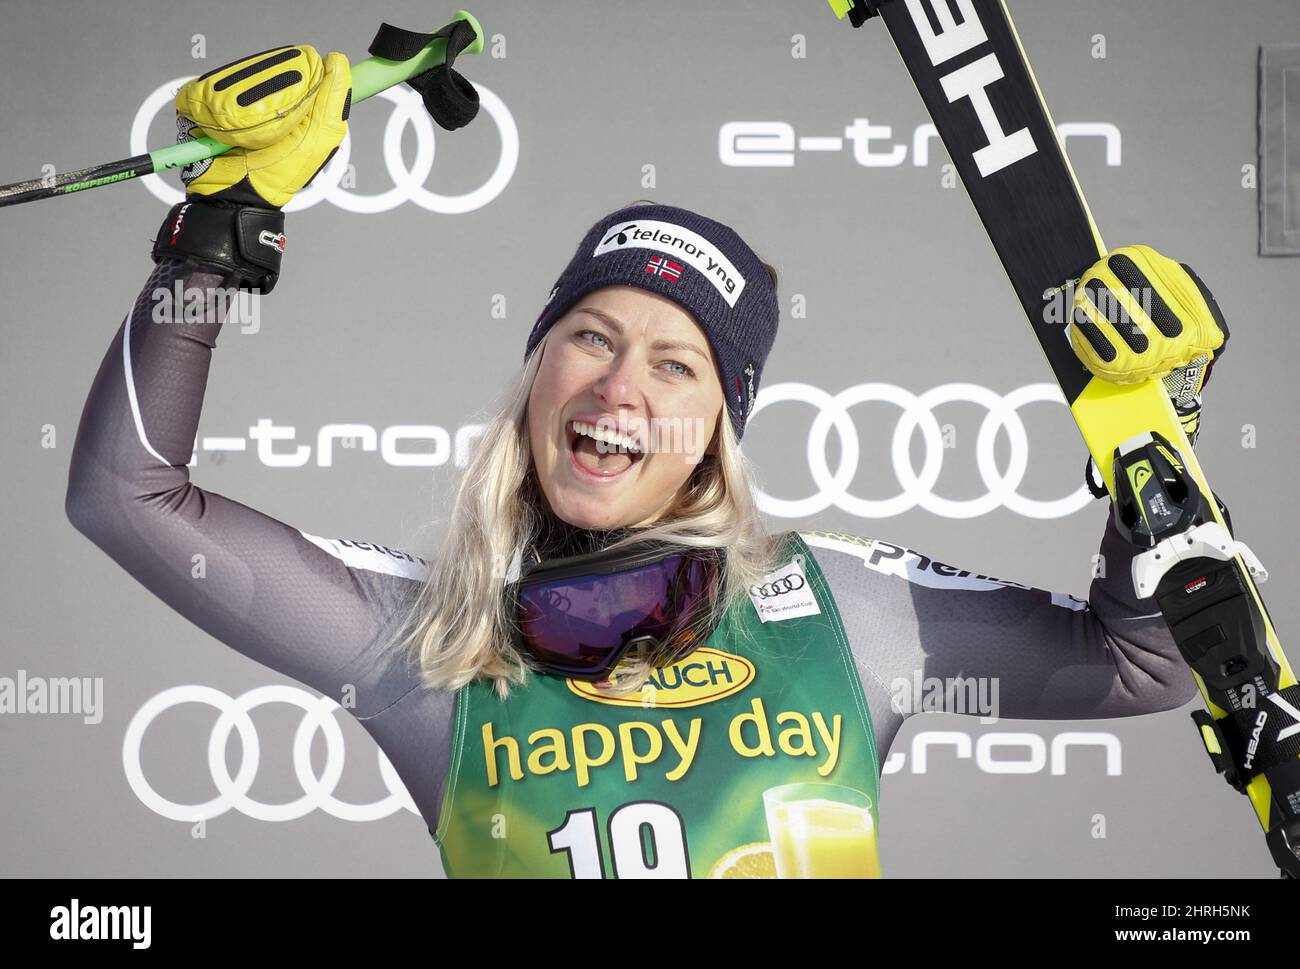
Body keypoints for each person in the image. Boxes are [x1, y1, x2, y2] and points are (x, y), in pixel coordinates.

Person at [65, 44, 1226, 878]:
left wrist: (1148, 447)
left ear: (721, 425)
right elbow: (127, 496)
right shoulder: (425, 643)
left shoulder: (840, 608)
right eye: (591, 337)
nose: (620, 385)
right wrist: (215, 233)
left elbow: (1142, 667)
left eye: (678, 366)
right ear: (536, 380)